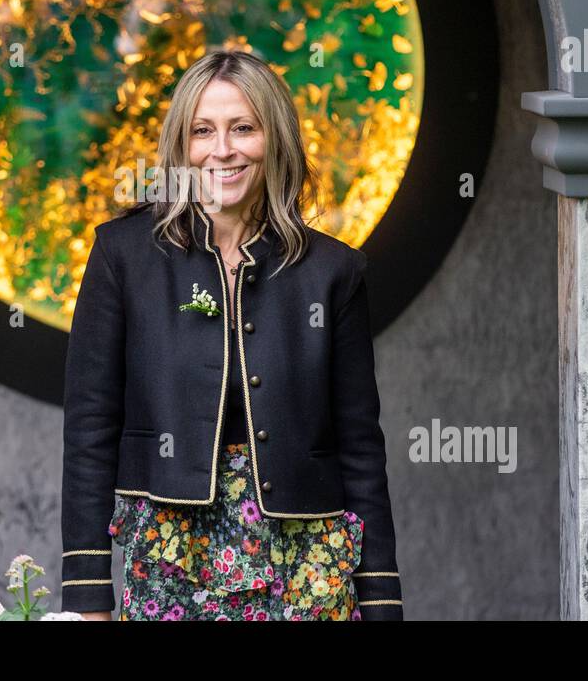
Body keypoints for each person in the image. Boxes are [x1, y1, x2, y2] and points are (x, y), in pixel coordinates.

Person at [61, 49, 403, 620]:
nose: (222, 150)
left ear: (276, 140)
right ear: (181, 144)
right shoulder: (123, 256)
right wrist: (88, 591)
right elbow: (90, 430)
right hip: (167, 554)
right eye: (203, 131)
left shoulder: (333, 272)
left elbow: (360, 445)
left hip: (307, 563)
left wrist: (382, 596)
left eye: (243, 128)